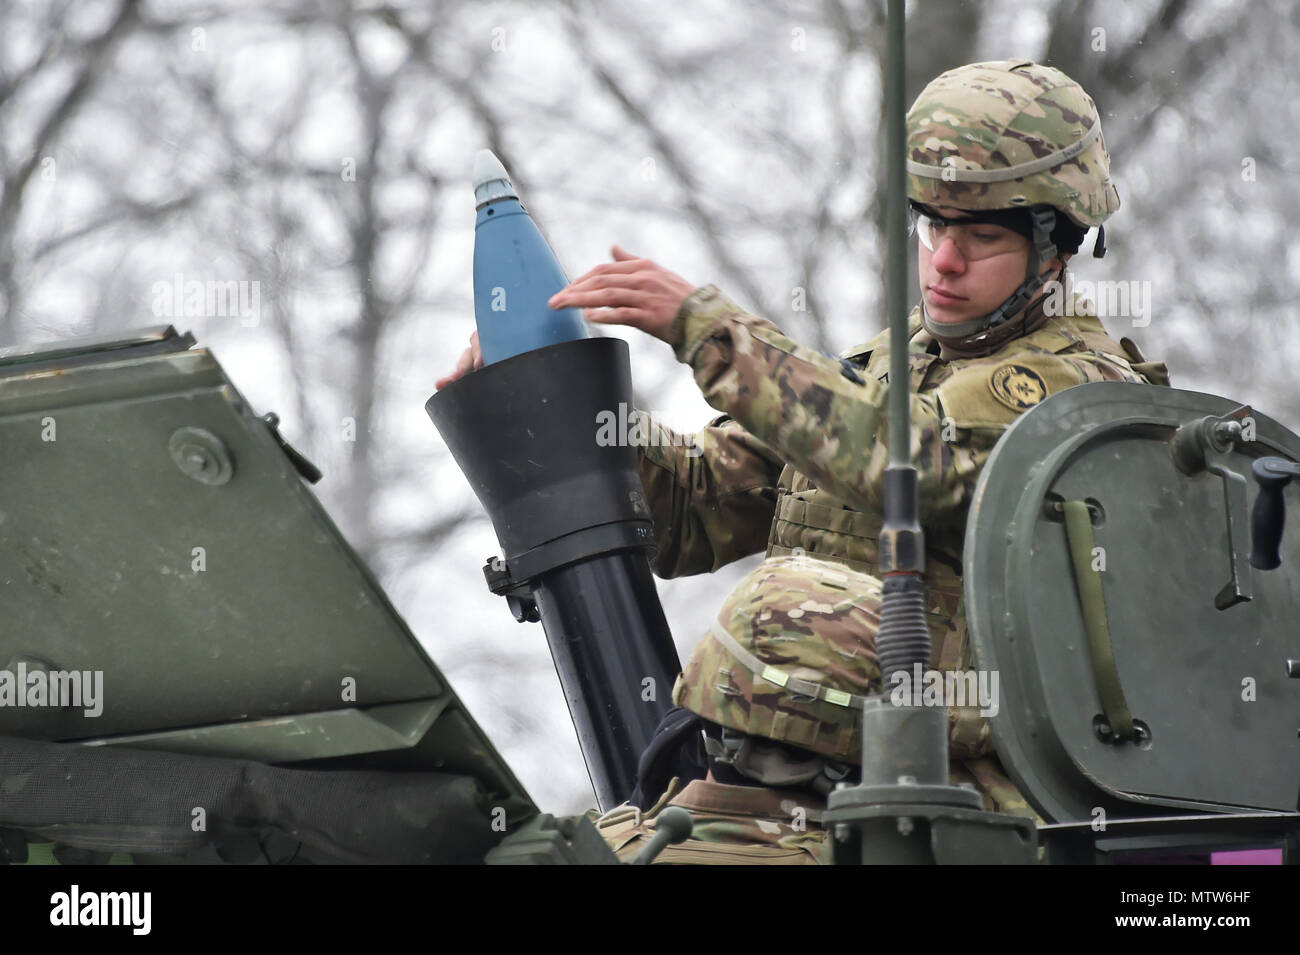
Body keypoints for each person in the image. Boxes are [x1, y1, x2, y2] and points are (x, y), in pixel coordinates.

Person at [439, 60, 1170, 860]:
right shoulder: (883, 369)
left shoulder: (1079, 393)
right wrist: (562, 418)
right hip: (786, 783)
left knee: (781, 603)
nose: (945, 260)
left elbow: (912, 465)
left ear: (1057, 243)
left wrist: (713, 334)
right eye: (933, 225)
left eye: (982, 233)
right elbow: (690, 512)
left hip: (968, 788)